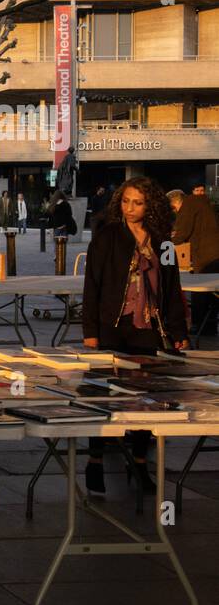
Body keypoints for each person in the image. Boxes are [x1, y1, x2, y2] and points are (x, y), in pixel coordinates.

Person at [83, 177, 189, 495]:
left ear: (150, 205)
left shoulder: (162, 242)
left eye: (138, 202)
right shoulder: (107, 237)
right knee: (104, 395)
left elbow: (171, 288)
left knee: (149, 397)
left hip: (148, 328)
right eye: (126, 201)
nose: (130, 208)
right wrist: (90, 332)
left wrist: (178, 330)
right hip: (112, 327)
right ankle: (95, 462)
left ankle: (140, 462)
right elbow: (92, 285)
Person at [170, 185, 219, 336]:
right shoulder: (202, 203)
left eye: (173, 209)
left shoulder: (188, 205)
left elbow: (182, 232)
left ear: (175, 203)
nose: (175, 212)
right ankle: (209, 327)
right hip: (214, 253)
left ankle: (197, 325)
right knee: (212, 291)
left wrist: (167, 241)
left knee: (200, 291)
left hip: (206, 256)